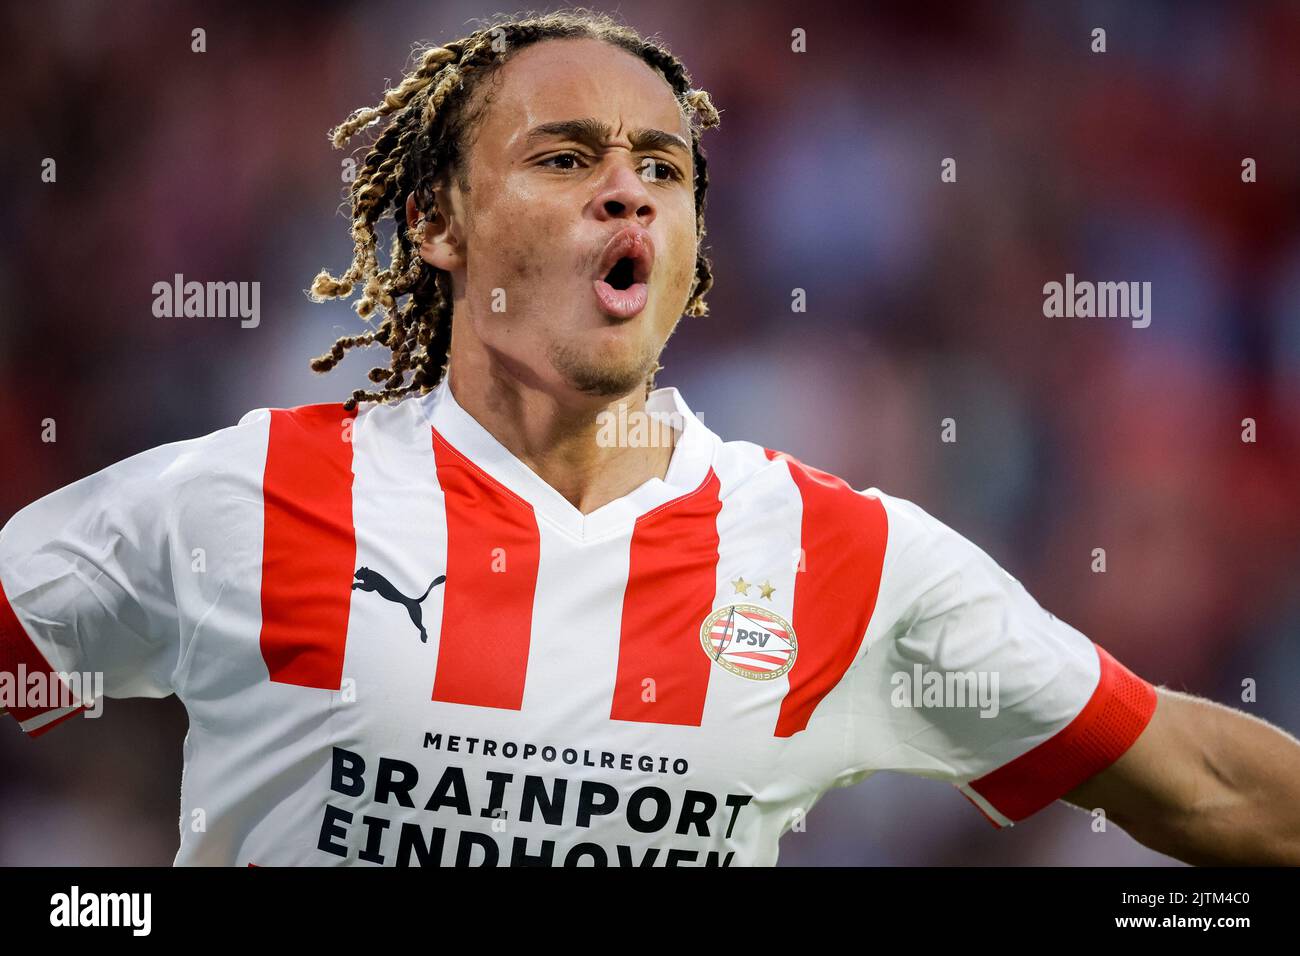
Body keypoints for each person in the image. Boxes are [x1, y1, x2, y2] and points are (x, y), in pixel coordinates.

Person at [2, 8, 1297, 867]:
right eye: (563, 159)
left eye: (663, 170)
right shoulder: (250, 494)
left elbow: (1205, 783)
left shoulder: (834, 558)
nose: (626, 187)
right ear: (438, 225)